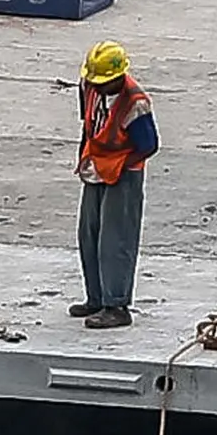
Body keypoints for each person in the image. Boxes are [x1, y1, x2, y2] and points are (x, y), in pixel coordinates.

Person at [70, 41, 158, 330]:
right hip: (96, 166)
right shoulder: (90, 87)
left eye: (103, 83)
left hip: (124, 173)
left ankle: (117, 304)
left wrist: (119, 166)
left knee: (115, 239)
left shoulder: (135, 104)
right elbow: (88, 122)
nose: (97, 87)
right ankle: (96, 297)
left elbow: (148, 145)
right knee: (89, 232)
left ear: (117, 79)